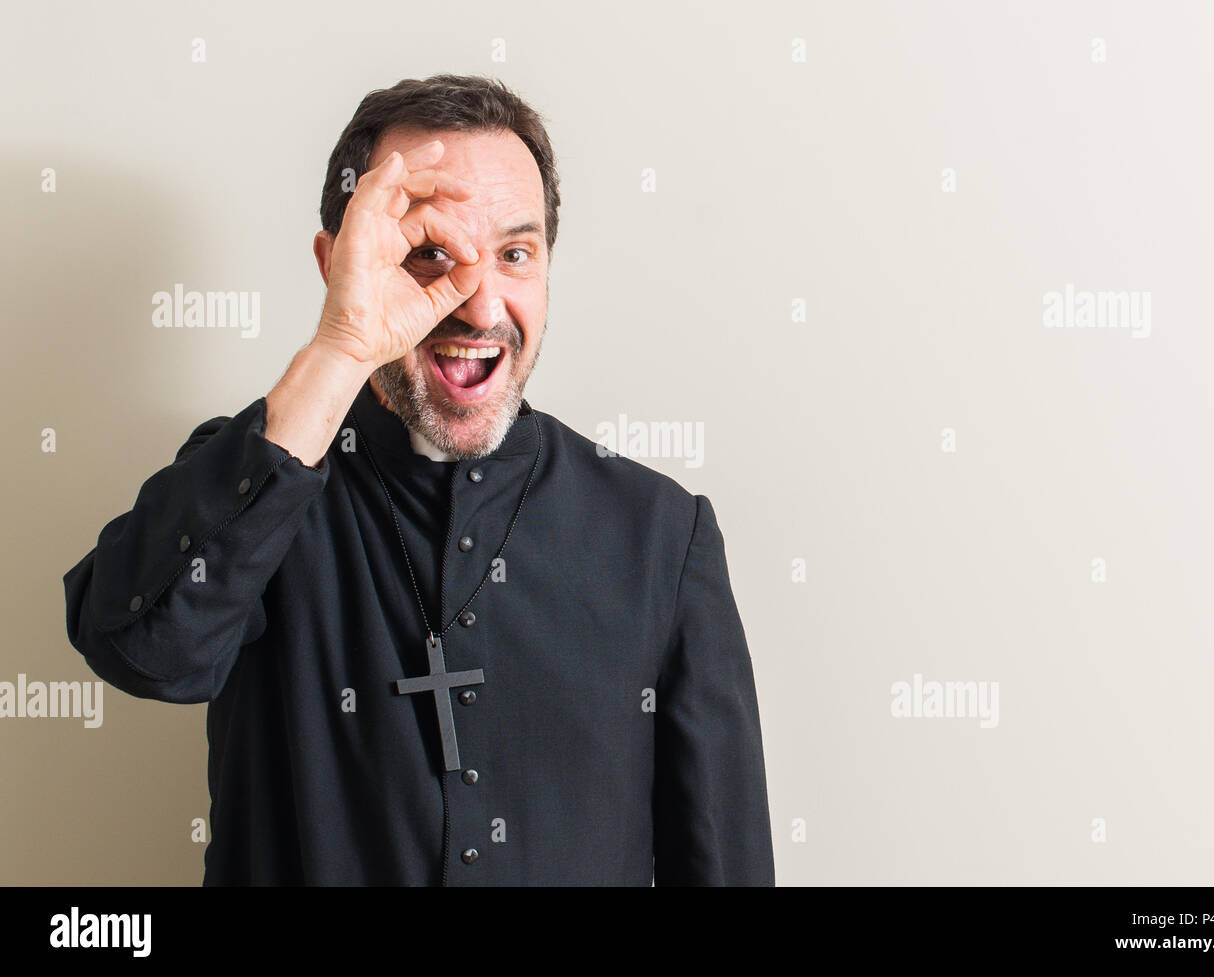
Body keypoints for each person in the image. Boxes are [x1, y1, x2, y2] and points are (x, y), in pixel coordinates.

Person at [63, 74, 775, 886]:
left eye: (515, 253)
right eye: (426, 254)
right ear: (339, 266)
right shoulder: (253, 488)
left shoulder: (659, 535)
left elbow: (726, 865)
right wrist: (341, 347)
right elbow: (141, 652)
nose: (478, 304)